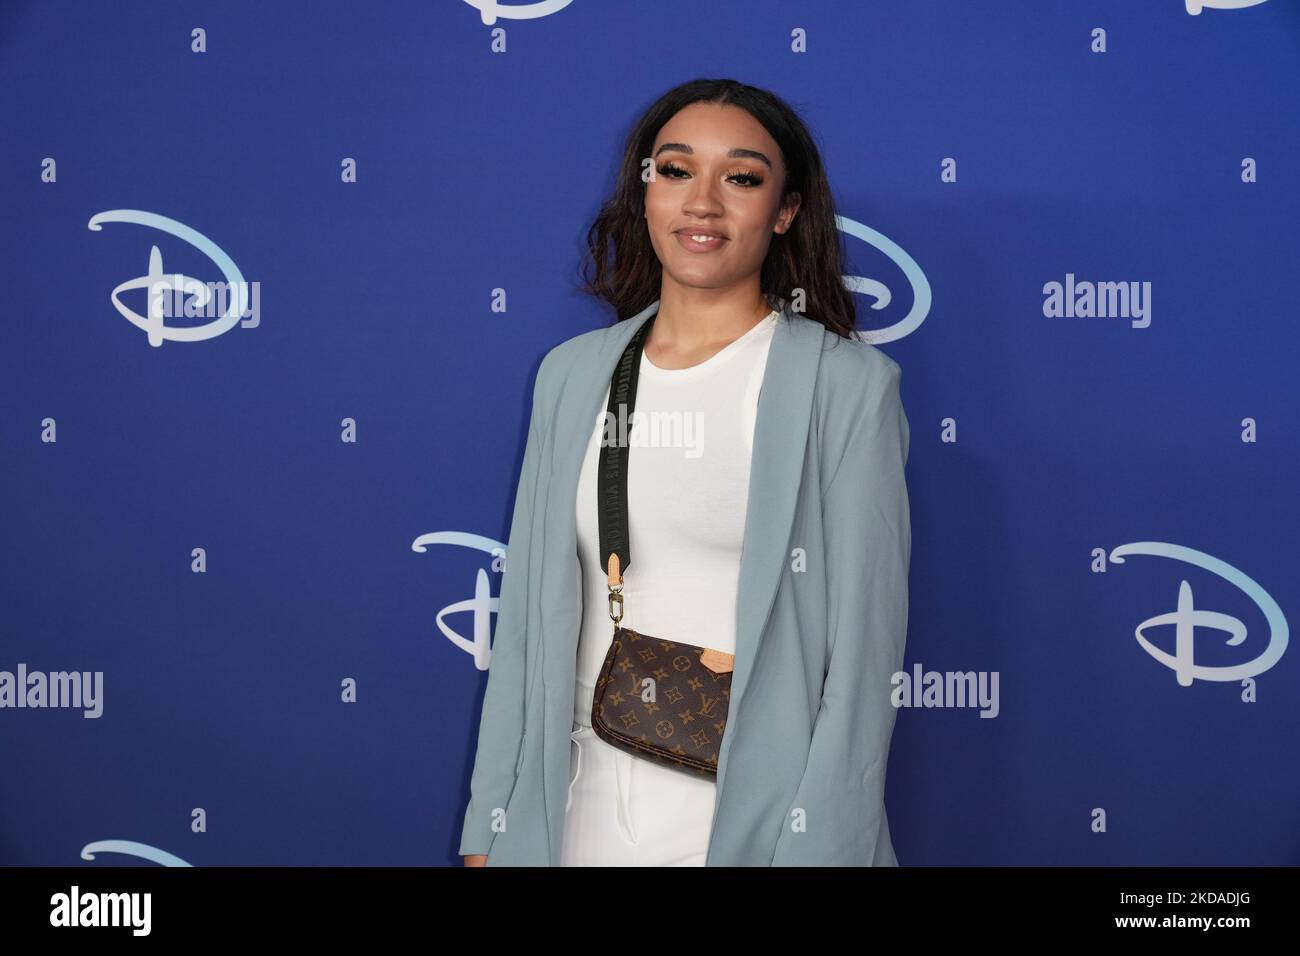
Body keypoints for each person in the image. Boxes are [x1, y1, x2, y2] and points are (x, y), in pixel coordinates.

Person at [462, 78, 911, 866]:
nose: (702, 201)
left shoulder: (844, 388)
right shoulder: (572, 374)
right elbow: (528, 622)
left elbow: (864, 659)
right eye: (674, 170)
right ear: (643, 193)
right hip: (573, 813)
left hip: (752, 825)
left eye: (740, 178)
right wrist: (492, 825)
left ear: (785, 210)